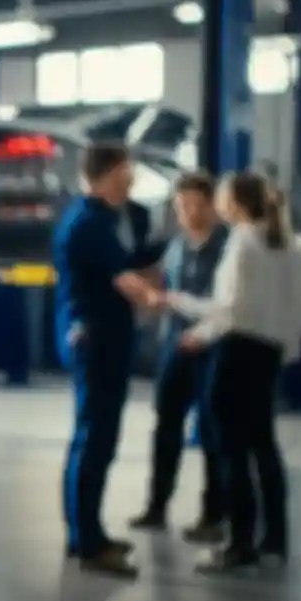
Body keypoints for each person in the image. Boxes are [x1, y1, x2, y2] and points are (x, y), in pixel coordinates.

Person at [156, 172, 301, 573]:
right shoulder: (296, 247)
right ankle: (274, 540)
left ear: (234, 203)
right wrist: (287, 347)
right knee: (264, 446)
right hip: (268, 355)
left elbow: (229, 308)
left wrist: (179, 306)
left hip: (235, 354)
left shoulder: (242, 242)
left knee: (231, 451)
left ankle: (239, 543)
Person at [54, 143, 161, 578]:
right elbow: (127, 280)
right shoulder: (91, 224)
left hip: (101, 338)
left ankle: (84, 533)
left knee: (92, 436)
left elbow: (131, 262)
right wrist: (161, 298)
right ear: (108, 174)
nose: (131, 179)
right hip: (97, 340)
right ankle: (89, 543)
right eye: (126, 171)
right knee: (95, 437)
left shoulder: (102, 219)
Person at [129, 173, 229, 543]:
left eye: (192, 204)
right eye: (180, 206)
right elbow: (166, 285)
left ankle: (214, 513)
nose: (185, 212)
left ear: (211, 205)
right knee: (166, 425)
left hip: (212, 349)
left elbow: (226, 304)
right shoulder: (175, 247)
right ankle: (156, 505)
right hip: (175, 349)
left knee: (212, 430)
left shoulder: (227, 248)